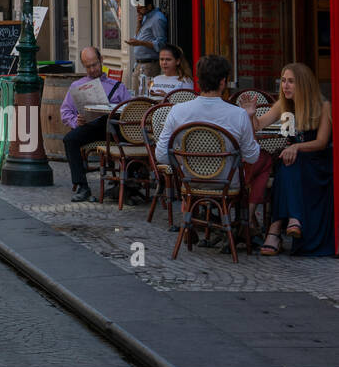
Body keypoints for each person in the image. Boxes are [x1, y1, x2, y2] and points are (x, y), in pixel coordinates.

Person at [155, 55, 262, 220]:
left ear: (199, 80)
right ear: (222, 82)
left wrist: (184, 159)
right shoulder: (239, 115)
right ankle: (244, 224)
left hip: (191, 181)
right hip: (226, 183)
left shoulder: (177, 111)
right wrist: (249, 118)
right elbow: (253, 157)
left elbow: (161, 155)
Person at [250, 62, 333, 257]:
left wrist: (296, 146)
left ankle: (275, 230)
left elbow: (321, 142)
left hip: (317, 163)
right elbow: (258, 125)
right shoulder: (284, 104)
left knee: (289, 162)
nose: (285, 86)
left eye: (291, 82)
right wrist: (251, 115)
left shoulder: (323, 105)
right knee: (287, 163)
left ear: (303, 84)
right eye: (284, 81)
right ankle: (293, 219)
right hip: (294, 161)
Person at [59, 46, 132, 202]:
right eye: (88, 66)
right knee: (70, 140)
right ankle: (82, 186)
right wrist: (75, 122)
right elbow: (65, 112)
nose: (92, 69)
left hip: (115, 129)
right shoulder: (77, 86)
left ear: (101, 61)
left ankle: (127, 186)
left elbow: (130, 112)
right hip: (91, 128)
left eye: (95, 64)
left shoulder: (117, 86)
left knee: (135, 139)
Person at [125, 0, 168, 92]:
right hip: (139, 64)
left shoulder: (157, 19)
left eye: (140, 8)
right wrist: (139, 24)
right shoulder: (145, 17)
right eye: (136, 8)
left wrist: (140, 43)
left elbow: (161, 44)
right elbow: (139, 36)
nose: (138, 11)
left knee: (145, 96)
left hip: (150, 65)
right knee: (135, 95)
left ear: (149, 6)